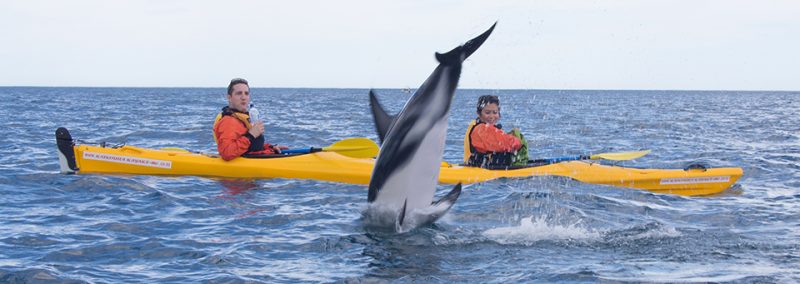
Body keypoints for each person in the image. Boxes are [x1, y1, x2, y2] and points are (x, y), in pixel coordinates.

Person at [213, 78, 288, 161]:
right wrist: (251, 135)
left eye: (246, 93)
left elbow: (248, 147)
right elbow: (226, 152)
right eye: (239, 93)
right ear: (229, 97)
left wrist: (270, 147)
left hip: (255, 158)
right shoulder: (228, 122)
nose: (243, 97)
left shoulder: (241, 118)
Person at [463, 95, 529, 168]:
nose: (491, 116)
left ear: (499, 113)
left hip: (483, 169)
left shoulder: (479, 125)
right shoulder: (480, 129)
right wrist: (519, 141)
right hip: (480, 173)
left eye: (495, 112)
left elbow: (496, 139)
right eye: (487, 113)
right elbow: (502, 143)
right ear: (479, 113)